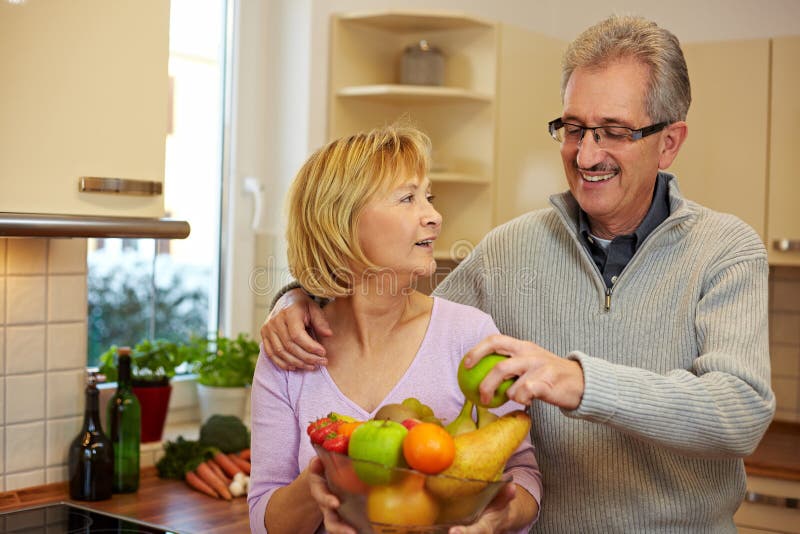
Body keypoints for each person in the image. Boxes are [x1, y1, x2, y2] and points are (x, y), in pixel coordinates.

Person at [260, 15, 776, 533]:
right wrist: (299, 299)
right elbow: (394, 309)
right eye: (574, 129)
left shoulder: (724, 250)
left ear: (669, 142)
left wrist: (578, 381)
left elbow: (741, 411)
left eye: (614, 132)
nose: (587, 154)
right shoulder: (508, 250)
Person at [248, 124, 542, 534]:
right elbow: (265, 519)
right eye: (408, 198)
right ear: (341, 222)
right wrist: (322, 477)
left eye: (429, 197)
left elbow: (524, 474)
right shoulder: (289, 351)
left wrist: (501, 519)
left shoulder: (468, 334)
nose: (434, 217)